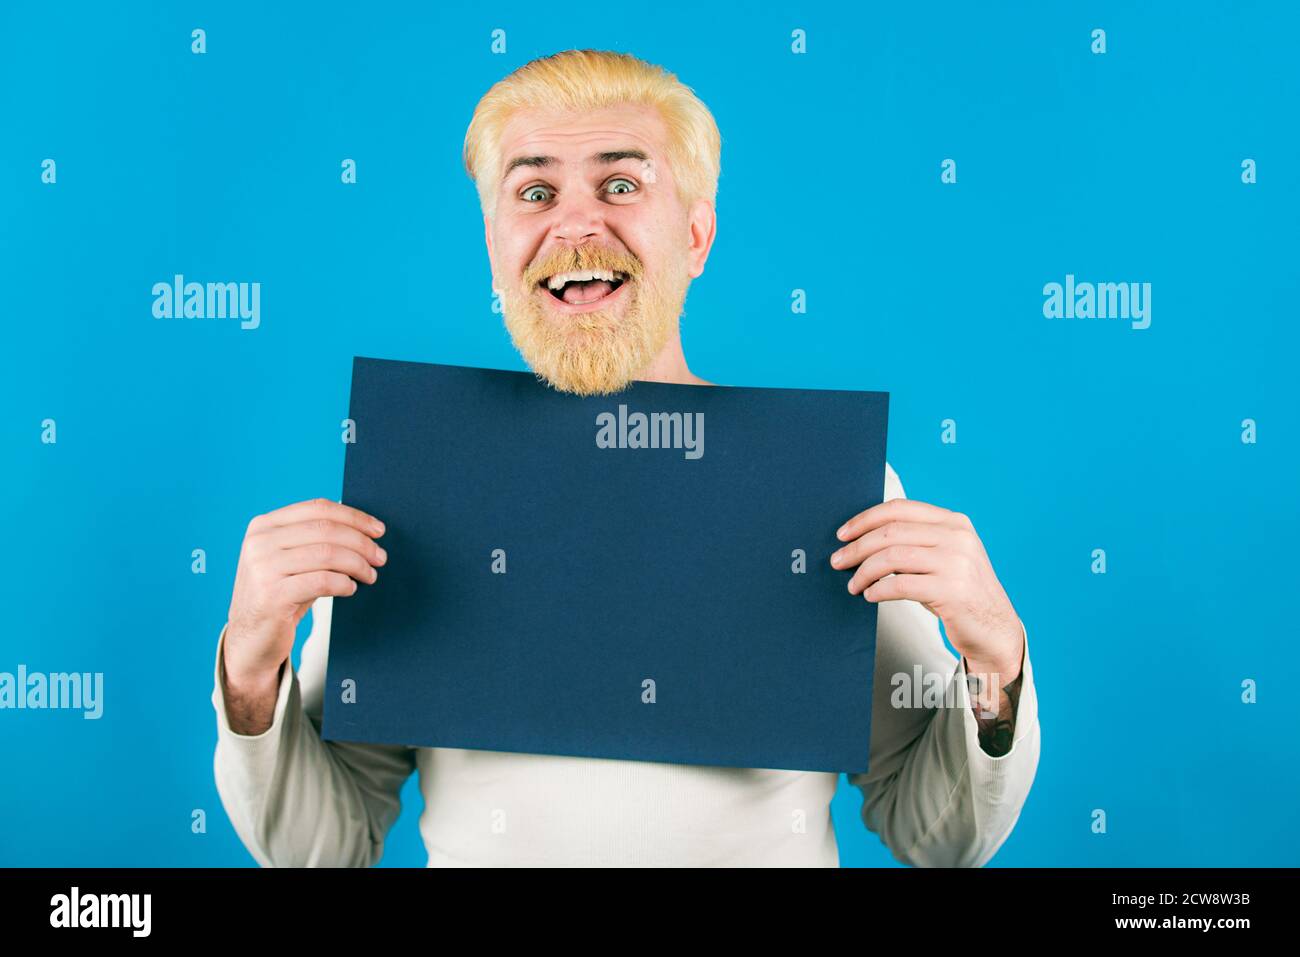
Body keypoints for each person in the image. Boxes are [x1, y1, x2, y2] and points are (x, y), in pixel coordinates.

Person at [212, 49, 1040, 867]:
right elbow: (322, 847)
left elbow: (939, 838)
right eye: (535, 192)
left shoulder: (827, 492)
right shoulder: (415, 486)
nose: (574, 226)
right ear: (494, 244)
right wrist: (251, 675)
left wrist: (994, 661)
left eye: (620, 185)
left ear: (695, 233)